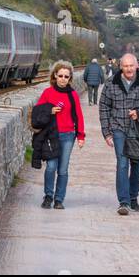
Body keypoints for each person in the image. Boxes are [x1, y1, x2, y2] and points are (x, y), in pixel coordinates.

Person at [100, 53, 139, 214]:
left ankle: (133, 197)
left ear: (137, 66)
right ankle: (124, 202)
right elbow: (104, 108)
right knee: (122, 163)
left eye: (131, 65)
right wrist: (107, 133)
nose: (128, 69)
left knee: (137, 165)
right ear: (120, 67)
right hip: (119, 128)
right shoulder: (111, 84)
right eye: (125, 66)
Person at [36, 61, 85, 209]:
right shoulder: (47, 93)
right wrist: (49, 111)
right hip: (51, 136)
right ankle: (48, 196)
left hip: (68, 136)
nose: (63, 79)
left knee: (63, 169)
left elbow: (79, 116)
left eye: (66, 76)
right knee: (51, 167)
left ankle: (59, 199)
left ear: (70, 78)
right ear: (55, 76)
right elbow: (37, 112)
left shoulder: (73, 95)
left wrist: (81, 136)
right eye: (60, 75)